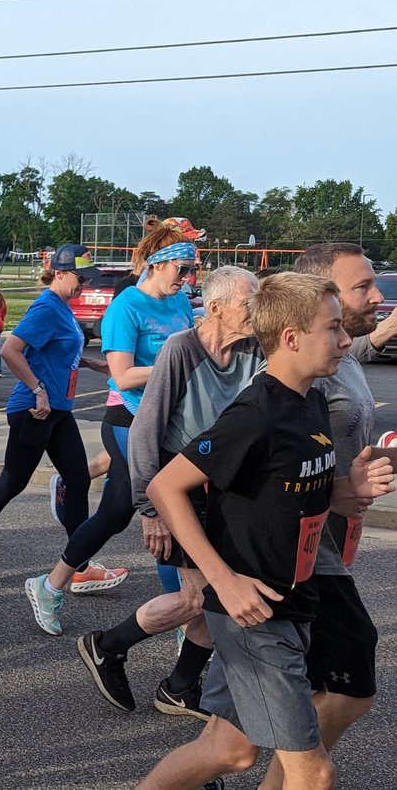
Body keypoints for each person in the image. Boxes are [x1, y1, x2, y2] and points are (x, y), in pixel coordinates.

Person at [136, 272, 394, 790]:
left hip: (295, 598)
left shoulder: (312, 401)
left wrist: (351, 486)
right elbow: (167, 488)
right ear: (292, 338)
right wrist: (222, 581)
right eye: (333, 329)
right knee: (313, 773)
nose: (347, 341)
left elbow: (300, 495)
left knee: (227, 751)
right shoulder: (256, 414)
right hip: (253, 612)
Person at [77, 266, 263, 717]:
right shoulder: (182, 350)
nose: (258, 312)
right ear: (216, 308)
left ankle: (179, 686)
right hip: (177, 488)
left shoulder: (255, 348)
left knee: (206, 601)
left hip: (221, 487)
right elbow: (145, 432)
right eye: (248, 303)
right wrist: (149, 507)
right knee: (198, 596)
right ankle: (108, 645)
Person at [250, 243, 396, 790]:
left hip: (326, 541)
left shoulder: (343, 355)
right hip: (298, 552)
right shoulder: (305, 378)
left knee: (242, 734)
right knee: (352, 675)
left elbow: (352, 452)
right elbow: (233, 468)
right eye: (362, 287)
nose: (377, 296)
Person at [25, 225, 196, 635]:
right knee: (153, 511)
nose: (186, 278)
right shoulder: (127, 307)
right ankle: (184, 615)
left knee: (125, 512)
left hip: (170, 420)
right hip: (129, 420)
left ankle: (52, 585)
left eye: (191, 270)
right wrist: (173, 368)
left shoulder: (181, 305)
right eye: (181, 268)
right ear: (156, 263)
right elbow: (122, 374)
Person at [0, 247, 110, 565]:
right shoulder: (47, 306)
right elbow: (10, 350)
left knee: (77, 480)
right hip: (35, 410)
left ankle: (79, 565)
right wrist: (38, 390)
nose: (84, 285)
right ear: (59, 273)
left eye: (88, 279)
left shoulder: (63, 307)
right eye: (80, 277)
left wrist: (91, 363)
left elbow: (55, 353)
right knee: (13, 481)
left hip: (58, 411)